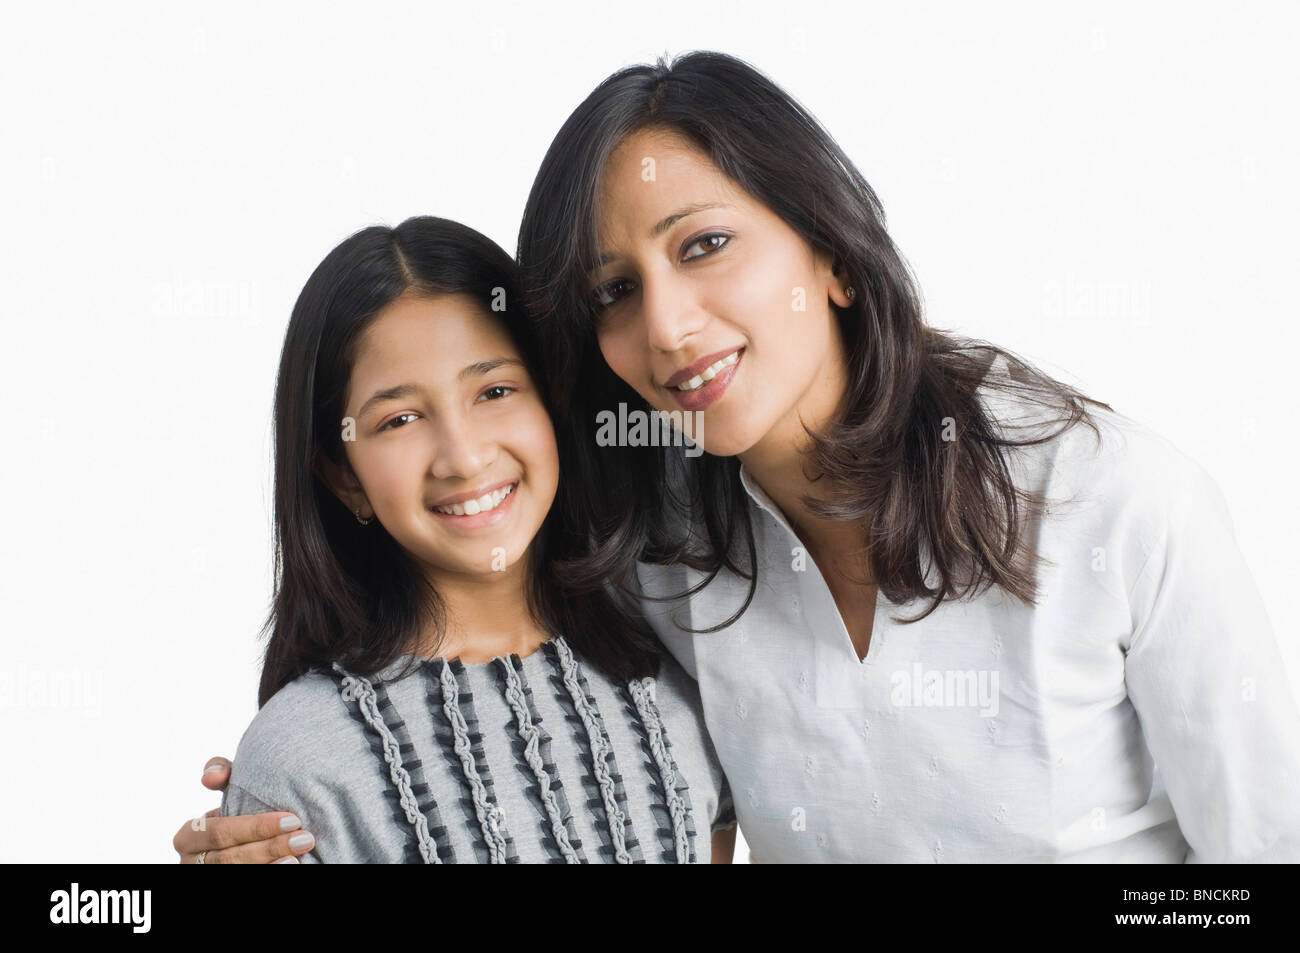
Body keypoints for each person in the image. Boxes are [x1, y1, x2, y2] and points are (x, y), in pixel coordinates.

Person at [178, 51, 1300, 863]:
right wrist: (260, 808)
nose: (666, 328)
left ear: (834, 255)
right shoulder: (647, 547)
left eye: (705, 245)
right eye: (615, 291)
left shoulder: (1114, 501)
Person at [174, 215, 735, 863]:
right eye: (400, 418)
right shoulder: (300, 758)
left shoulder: (676, 676)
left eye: (495, 389)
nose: (464, 457)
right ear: (341, 473)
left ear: (553, 402)